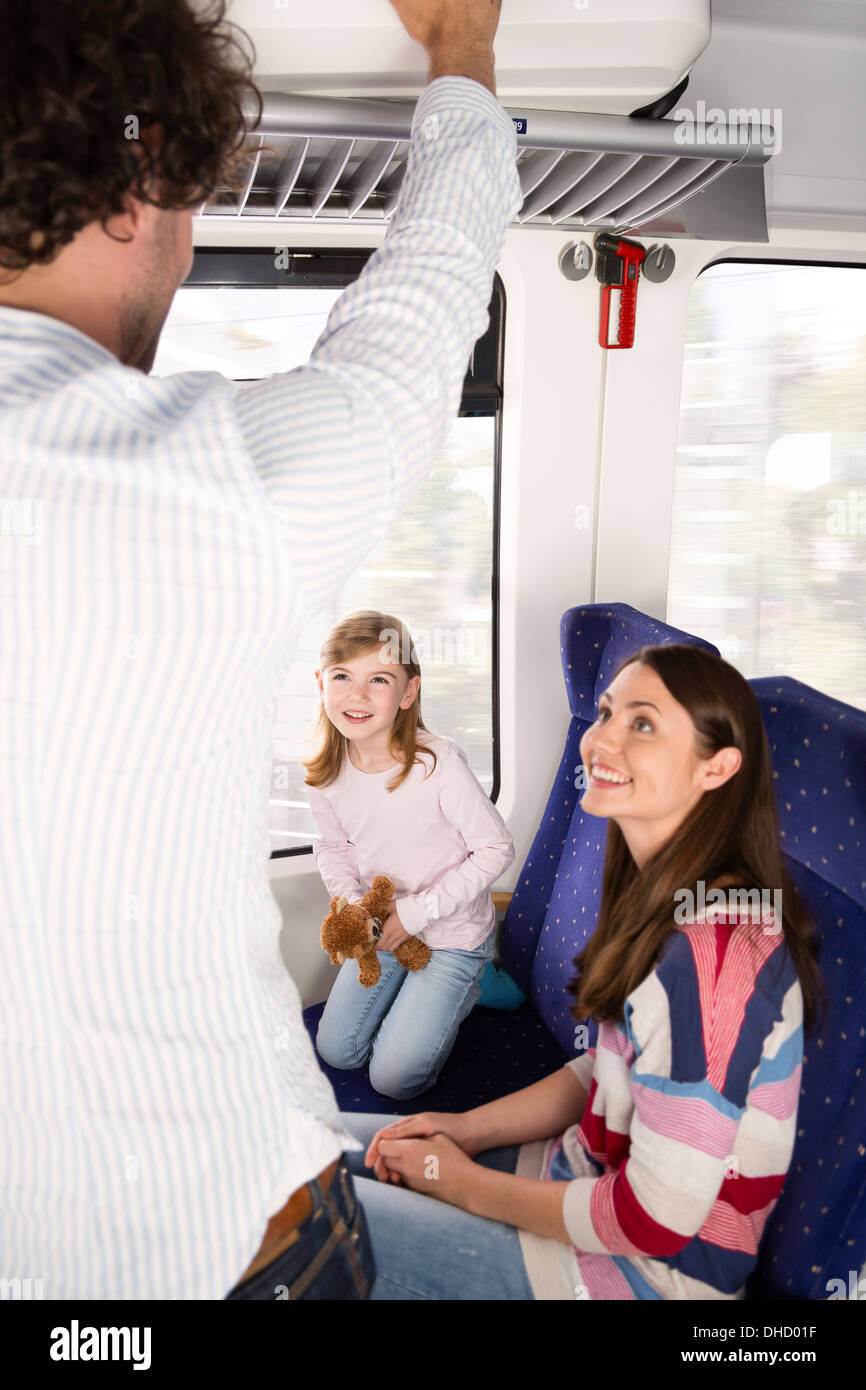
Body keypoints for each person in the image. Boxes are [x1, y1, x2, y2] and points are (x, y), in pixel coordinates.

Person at [0, 0, 522, 1298]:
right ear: (143, 183)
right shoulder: (212, 484)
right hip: (228, 1249)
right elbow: (426, 296)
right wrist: (460, 51)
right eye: (190, 213)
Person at [332, 644, 826, 1300]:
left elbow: (654, 1221)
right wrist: (462, 1129)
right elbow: (612, 1068)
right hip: (577, 1175)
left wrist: (455, 1180)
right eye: (605, 712)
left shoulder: (708, 961)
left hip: (639, 1276)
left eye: (642, 724)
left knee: (297, 1216)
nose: (602, 739)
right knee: (299, 1146)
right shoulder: (668, 898)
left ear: (718, 768)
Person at [304, 611, 515, 1099]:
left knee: (394, 1079)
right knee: (337, 1050)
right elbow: (332, 846)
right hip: (385, 932)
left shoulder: (437, 763)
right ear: (321, 683)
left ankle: (475, 981)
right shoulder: (326, 771)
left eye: (378, 679)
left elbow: (495, 848)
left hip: (451, 935)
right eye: (342, 677)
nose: (356, 696)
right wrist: (351, 904)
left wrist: (417, 913)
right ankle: (413, 1000)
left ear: (408, 692)